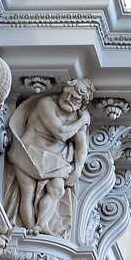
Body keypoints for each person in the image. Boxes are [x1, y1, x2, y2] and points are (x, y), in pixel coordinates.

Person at [6, 79, 94, 237]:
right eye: (67, 94)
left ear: (82, 101)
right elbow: (60, 133)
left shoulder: (77, 117)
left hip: (54, 159)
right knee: (28, 191)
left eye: (74, 98)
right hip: (29, 152)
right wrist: (82, 121)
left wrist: (78, 171)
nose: (68, 99)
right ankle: (30, 229)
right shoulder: (46, 104)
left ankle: (41, 225)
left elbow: (81, 147)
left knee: (58, 190)